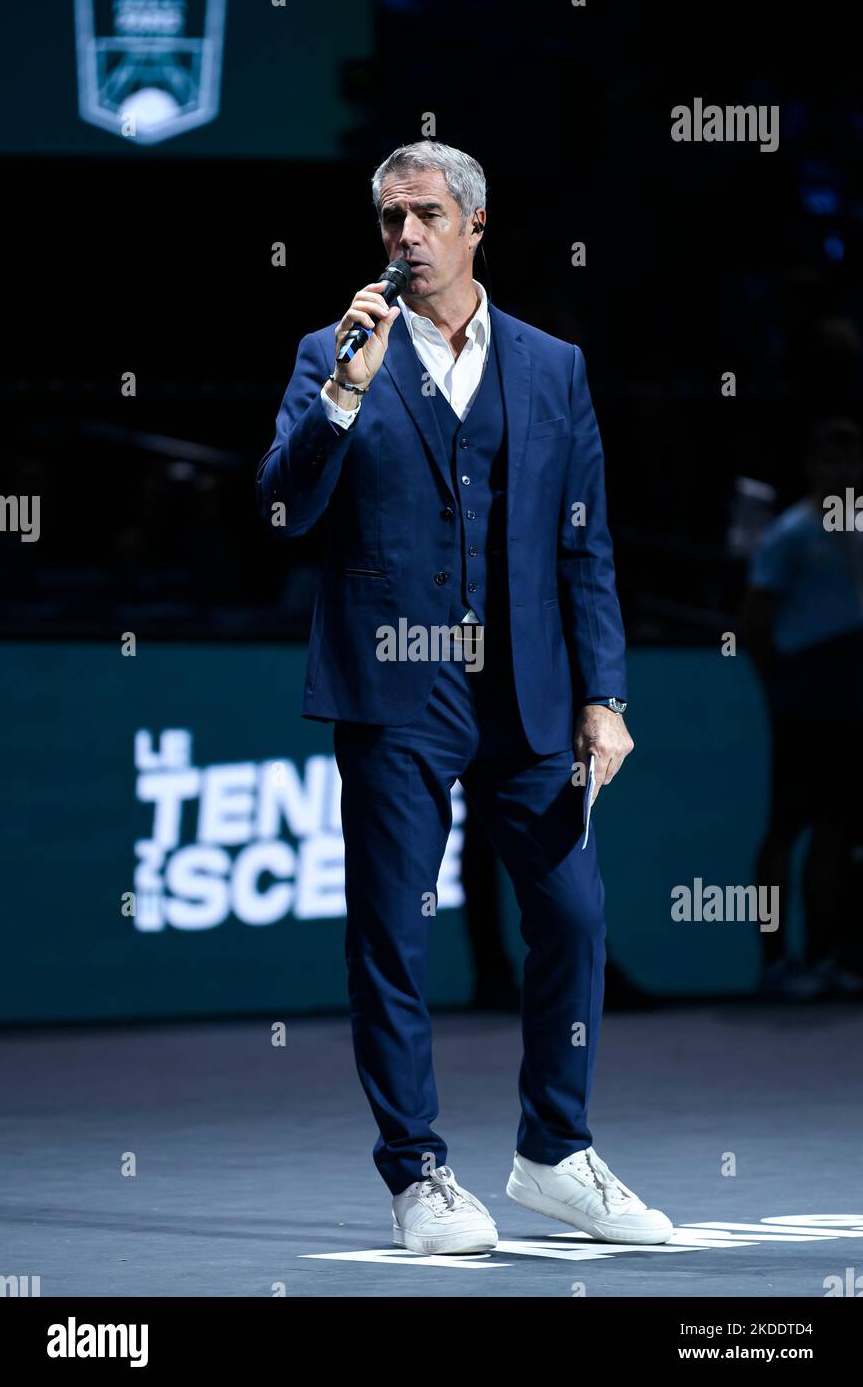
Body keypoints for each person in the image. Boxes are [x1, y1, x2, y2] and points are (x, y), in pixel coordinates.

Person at [257, 142, 672, 1253]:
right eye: (390, 218)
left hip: (527, 691)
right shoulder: (331, 352)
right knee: (393, 934)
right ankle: (416, 1174)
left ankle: (554, 1151)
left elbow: (585, 548)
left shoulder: (550, 366)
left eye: (426, 215)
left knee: (574, 916)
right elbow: (282, 512)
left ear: (474, 226)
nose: (404, 237)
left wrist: (606, 694)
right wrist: (344, 385)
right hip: (393, 690)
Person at [742, 417, 863, 1001]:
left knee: (837, 829)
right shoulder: (789, 533)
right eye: (830, 461)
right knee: (786, 828)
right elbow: (757, 623)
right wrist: (785, 690)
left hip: (850, 701)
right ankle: (775, 962)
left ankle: (825, 955)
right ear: (812, 467)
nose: (842, 472)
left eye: (850, 461)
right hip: (805, 700)